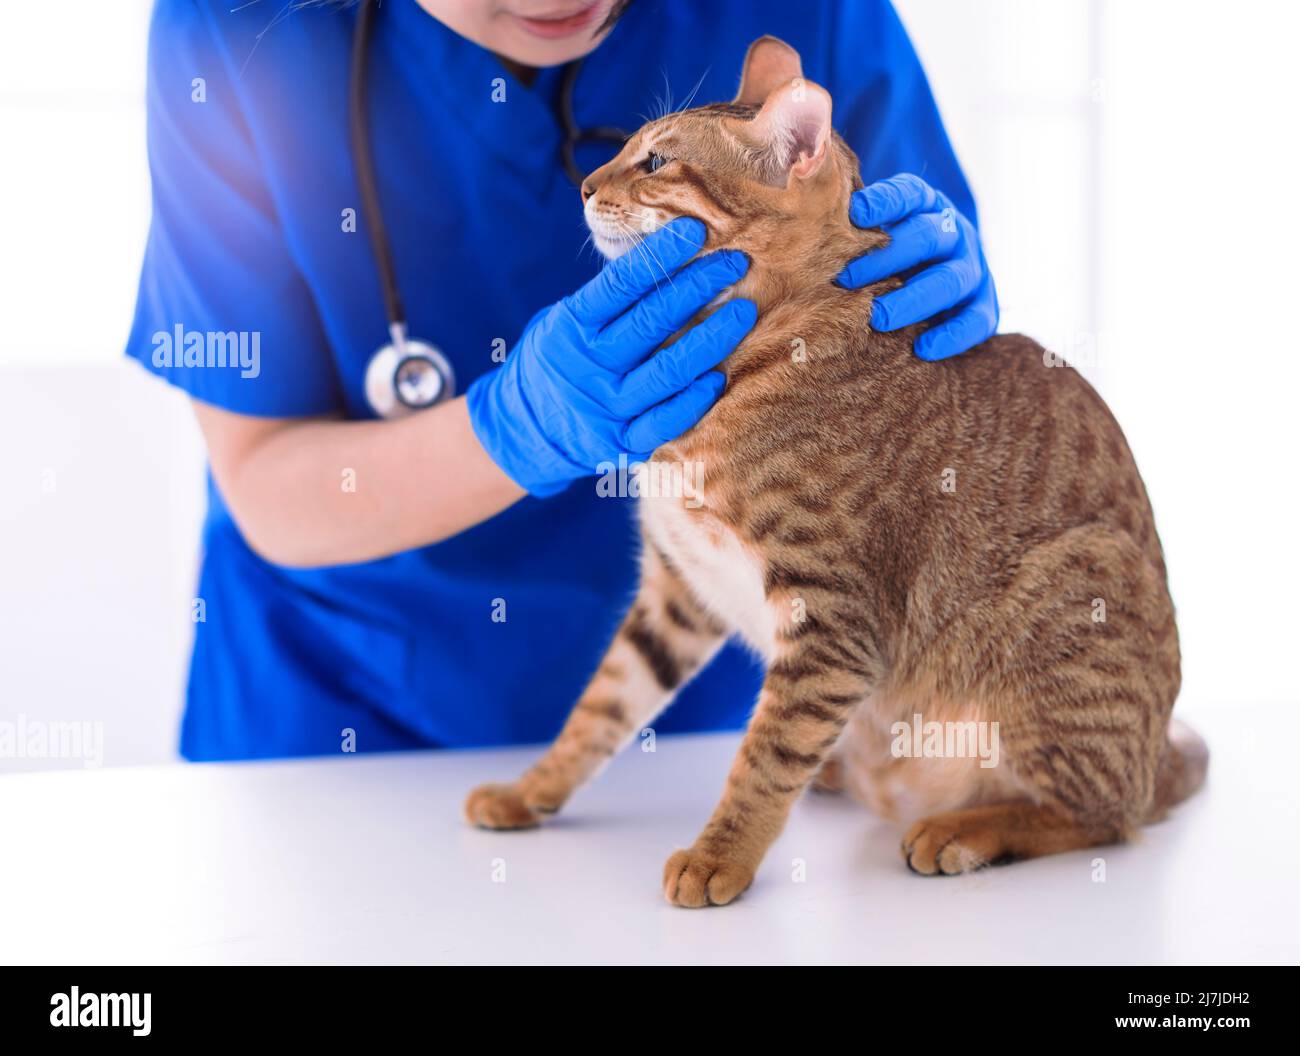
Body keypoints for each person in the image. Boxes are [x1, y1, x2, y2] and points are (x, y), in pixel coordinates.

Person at [126, 0, 999, 760]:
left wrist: (939, 347)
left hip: (715, 716)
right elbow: (265, 477)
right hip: (336, 720)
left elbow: (905, 387)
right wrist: (517, 425)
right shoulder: (229, 29)